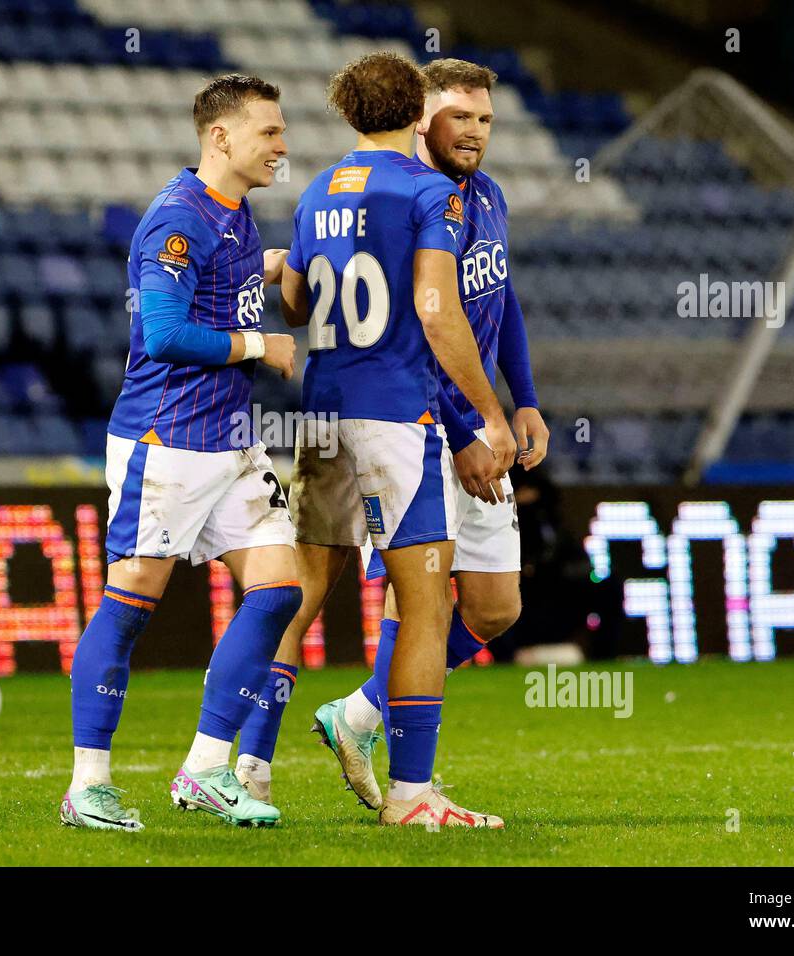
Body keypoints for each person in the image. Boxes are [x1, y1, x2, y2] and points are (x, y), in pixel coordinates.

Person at [248, 52, 512, 828]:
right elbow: (438, 309)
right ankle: (412, 796)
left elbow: (296, 305)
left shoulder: (317, 191)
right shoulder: (432, 192)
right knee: (426, 607)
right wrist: (490, 412)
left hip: (322, 415)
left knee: (297, 602)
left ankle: (251, 773)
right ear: (418, 113)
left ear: (346, 110)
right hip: (397, 417)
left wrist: (274, 272)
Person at [58, 74, 300, 832]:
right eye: (268, 132)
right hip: (165, 443)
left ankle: (204, 768)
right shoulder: (177, 219)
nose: (282, 145)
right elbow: (162, 334)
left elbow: (213, 289)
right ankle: (86, 784)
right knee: (130, 609)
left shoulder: (233, 212)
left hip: (230, 442)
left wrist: (267, 268)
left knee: (279, 591)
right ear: (220, 137)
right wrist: (261, 343)